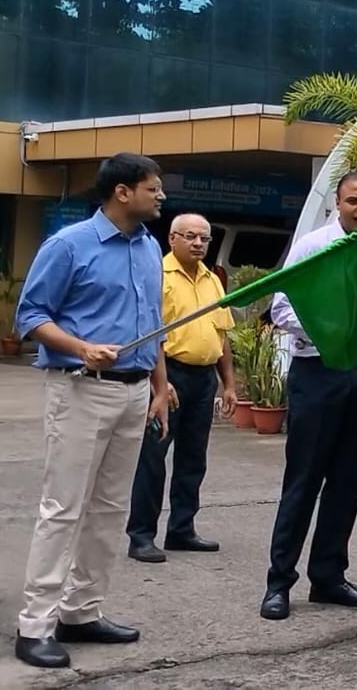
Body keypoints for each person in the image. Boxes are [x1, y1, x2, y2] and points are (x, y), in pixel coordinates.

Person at [11, 152, 172, 669]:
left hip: (133, 393)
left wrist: (160, 387)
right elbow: (30, 316)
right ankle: (35, 625)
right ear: (122, 192)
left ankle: (82, 610)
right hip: (80, 388)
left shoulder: (148, 248)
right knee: (63, 509)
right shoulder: (68, 245)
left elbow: (154, 324)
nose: (160, 196)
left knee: (110, 511)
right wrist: (81, 347)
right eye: (153, 188)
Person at [261, 172, 357, 621]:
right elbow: (281, 308)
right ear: (336, 203)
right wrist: (334, 328)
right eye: (354, 201)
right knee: (303, 481)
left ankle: (329, 577)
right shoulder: (311, 246)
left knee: (347, 481)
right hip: (316, 372)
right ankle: (278, 583)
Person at [126, 213, 237, 563]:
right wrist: (158, 381)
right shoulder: (158, 275)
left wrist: (229, 384)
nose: (198, 244)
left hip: (204, 378)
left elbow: (223, 334)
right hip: (168, 375)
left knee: (193, 458)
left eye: (204, 239)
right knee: (153, 458)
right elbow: (146, 333)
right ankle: (141, 536)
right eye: (190, 237)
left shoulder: (212, 279)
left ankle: (182, 529)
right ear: (172, 239)